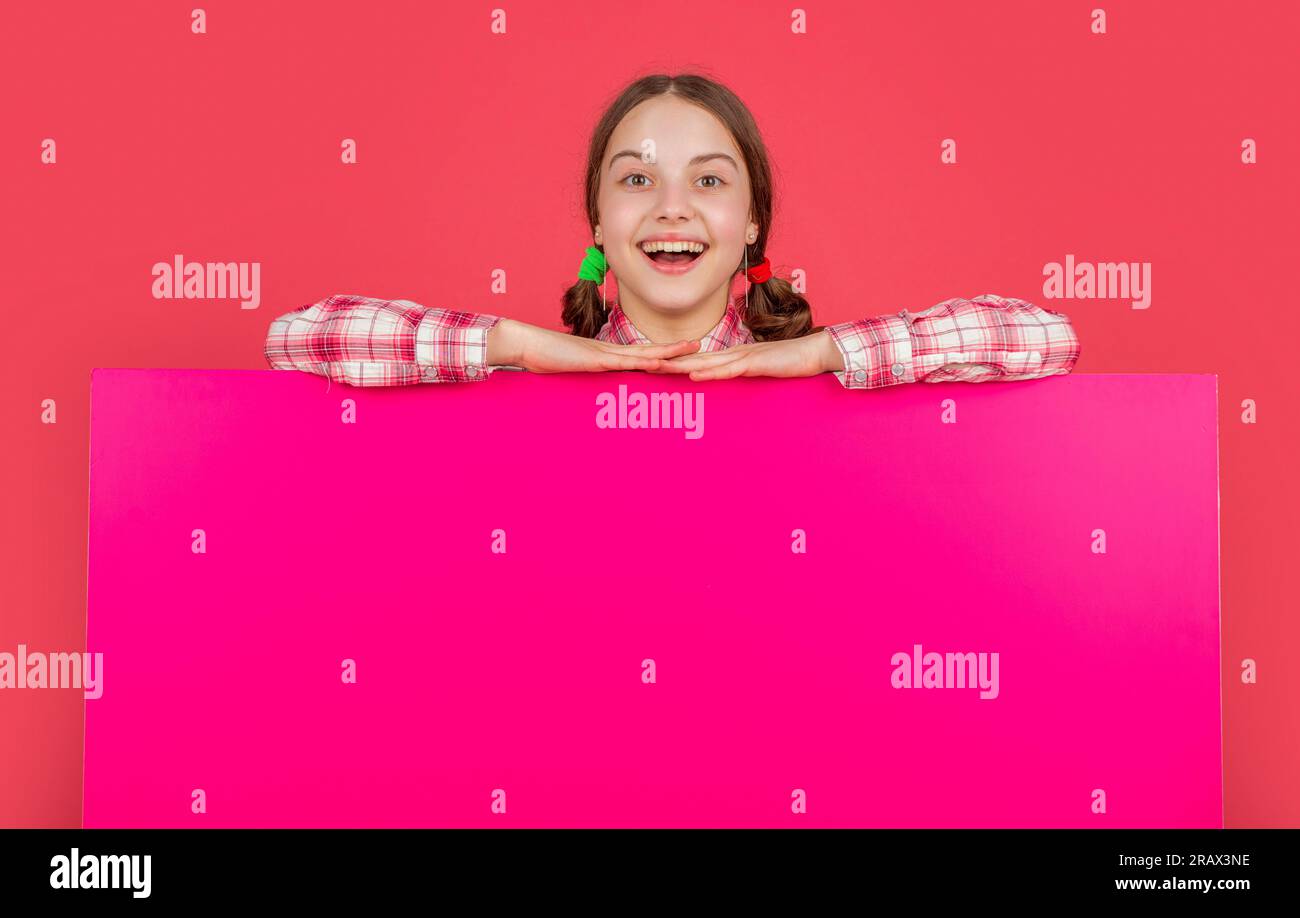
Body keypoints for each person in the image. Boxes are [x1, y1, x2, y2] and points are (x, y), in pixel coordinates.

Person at [264, 73, 1080, 389]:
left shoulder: (828, 378)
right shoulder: (531, 382)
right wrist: (516, 346)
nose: (672, 207)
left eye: (711, 180)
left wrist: (825, 354)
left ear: (752, 222)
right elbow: (295, 340)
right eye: (636, 178)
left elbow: (1049, 339)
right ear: (599, 221)